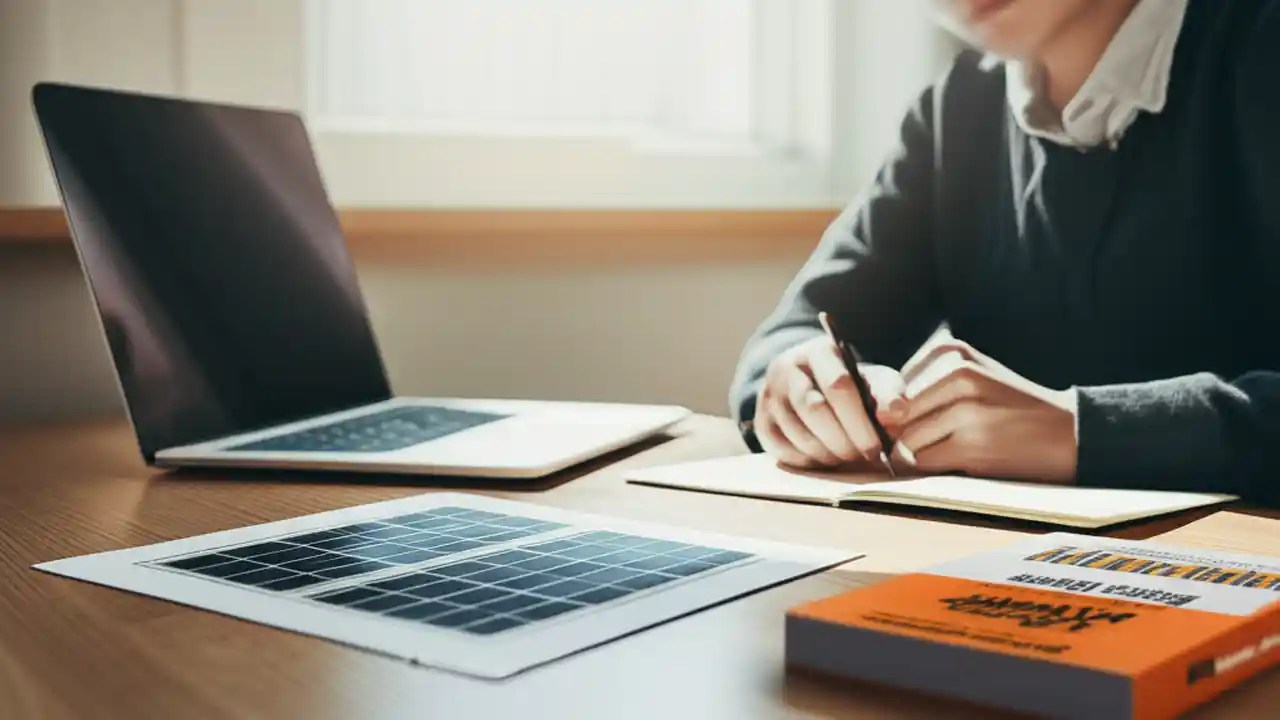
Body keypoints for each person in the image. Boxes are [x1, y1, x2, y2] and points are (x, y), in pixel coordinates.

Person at [730, 0, 1280, 502]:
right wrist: (797, 390)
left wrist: (1084, 430)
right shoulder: (959, 108)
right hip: (1012, 567)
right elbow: (796, 332)